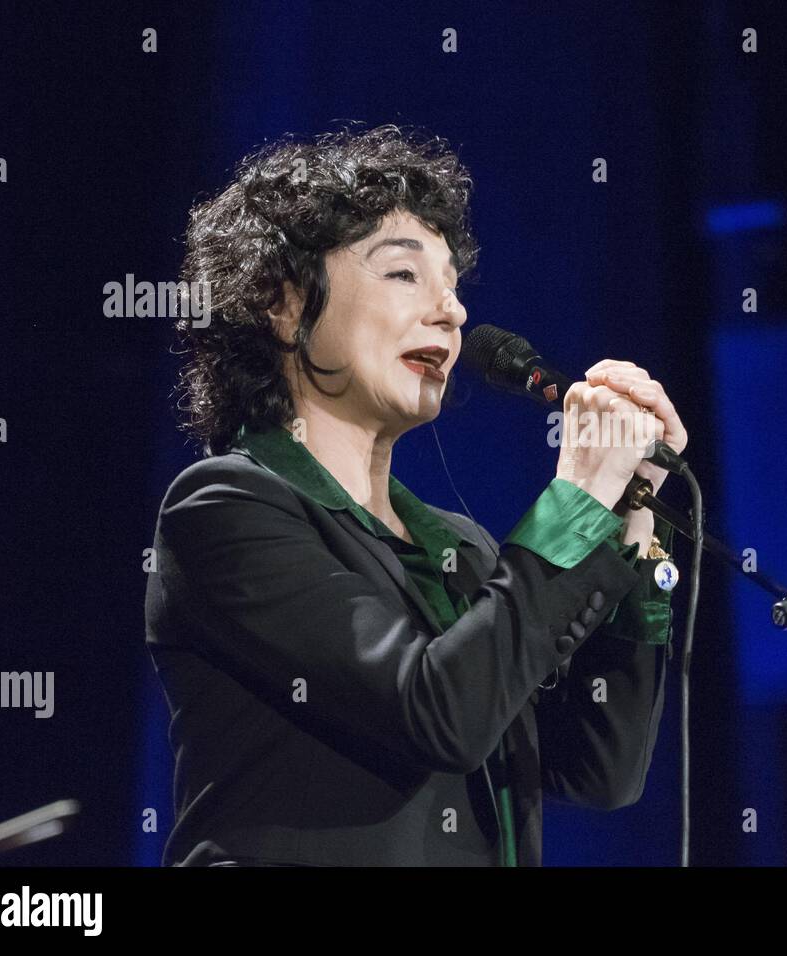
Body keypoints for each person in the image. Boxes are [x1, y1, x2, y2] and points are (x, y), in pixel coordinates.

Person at [143, 125, 688, 866]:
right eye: (405, 275)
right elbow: (439, 712)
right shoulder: (222, 507)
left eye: (454, 287)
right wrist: (577, 496)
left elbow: (599, 769)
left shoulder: (458, 548)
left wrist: (628, 513)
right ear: (282, 301)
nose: (452, 312)